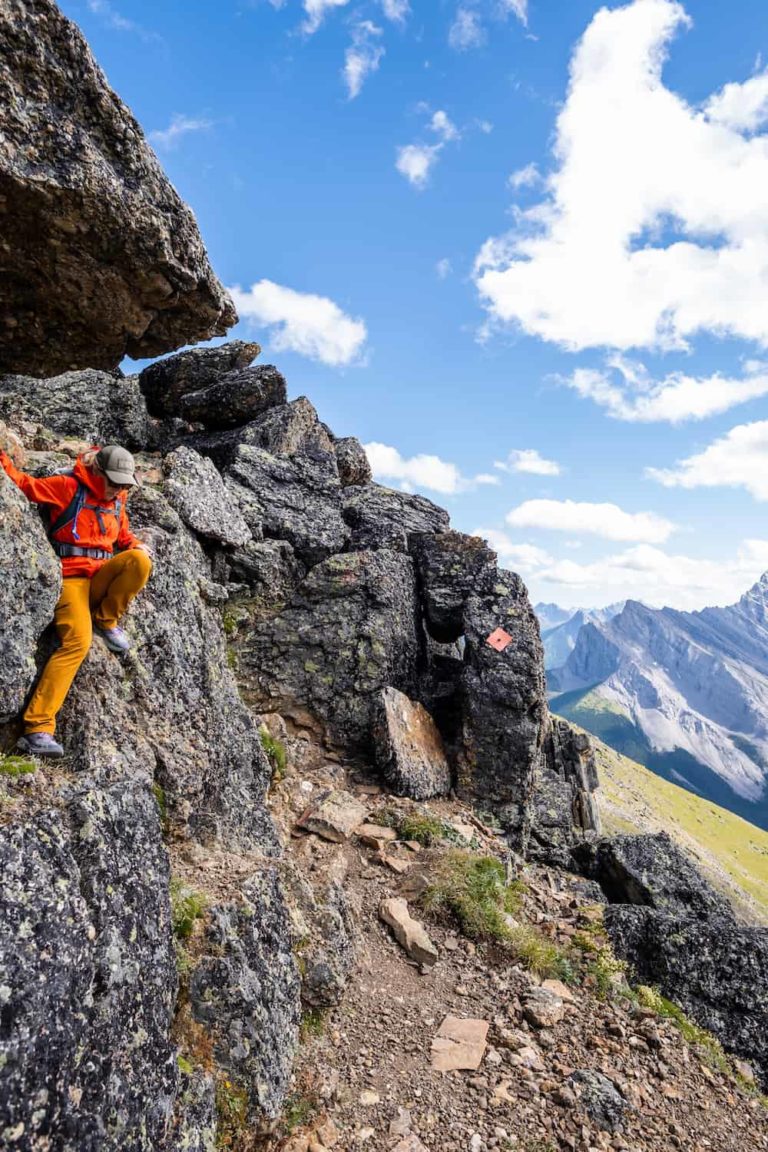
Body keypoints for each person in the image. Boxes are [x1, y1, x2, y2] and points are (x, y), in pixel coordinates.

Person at [0, 443, 152, 759]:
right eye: (114, 482)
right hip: (70, 580)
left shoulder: (119, 498)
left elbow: (122, 537)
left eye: (124, 484)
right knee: (76, 644)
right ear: (97, 471)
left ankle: (106, 621)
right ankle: (37, 729)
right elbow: (24, 485)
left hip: (99, 578)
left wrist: (136, 543)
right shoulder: (67, 487)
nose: (118, 489)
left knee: (139, 561)